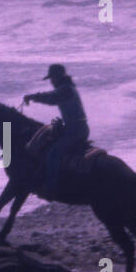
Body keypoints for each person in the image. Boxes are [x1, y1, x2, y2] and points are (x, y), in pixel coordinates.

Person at [25, 64, 89, 194]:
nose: (51, 81)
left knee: (53, 153)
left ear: (58, 77)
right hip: (75, 127)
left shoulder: (65, 89)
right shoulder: (68, 88)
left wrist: (32, 97)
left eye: (52, 78)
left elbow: (51, 98)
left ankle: (51, 188)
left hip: (75, 129)